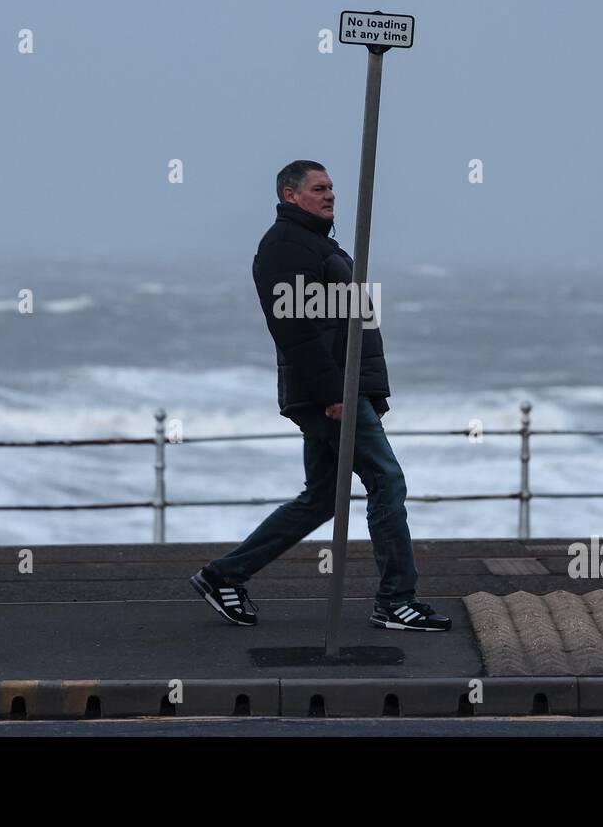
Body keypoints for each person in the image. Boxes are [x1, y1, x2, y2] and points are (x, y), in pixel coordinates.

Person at [189, 160, 451, 631]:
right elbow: (294, 330)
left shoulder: (318, 245)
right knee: (387, 481)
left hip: (348, 390)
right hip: (328, 394)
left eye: (332, 187)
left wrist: (372, 392)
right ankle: (395, 601)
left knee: (322, 497)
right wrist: (335, 395)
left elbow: (354, 325)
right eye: (319, 188)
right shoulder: (283, 248)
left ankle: (224, 575)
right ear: (291, 195)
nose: (330, 195)